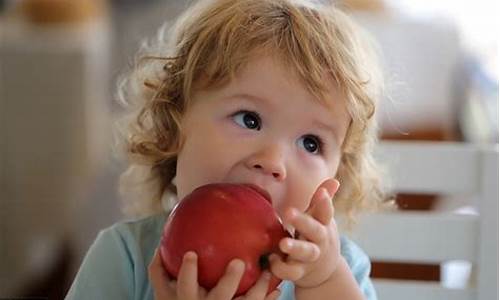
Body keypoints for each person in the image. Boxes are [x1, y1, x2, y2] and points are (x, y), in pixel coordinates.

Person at [66, 0, 388, 299]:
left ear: (337, 177)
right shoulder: (126, 259)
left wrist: (324, 283)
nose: (273, 161)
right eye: (249, 119)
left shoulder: (338, 271)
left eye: (311, 143)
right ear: (175, 124)